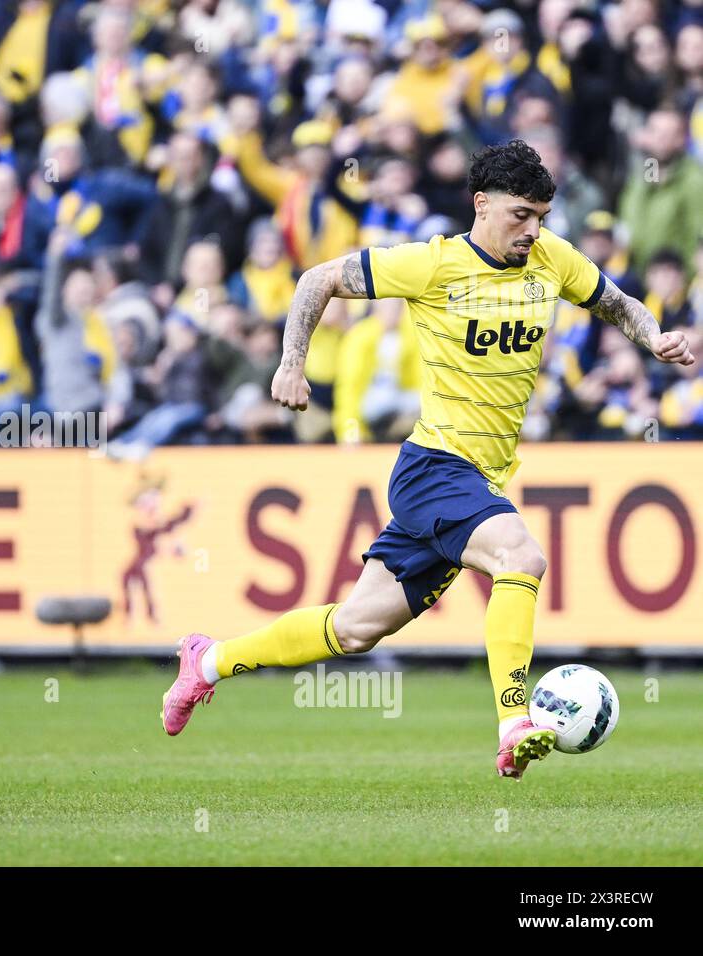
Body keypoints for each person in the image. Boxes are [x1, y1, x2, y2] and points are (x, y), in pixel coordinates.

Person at [159, 140, 696, 778]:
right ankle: (515, 721)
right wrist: (291, 364)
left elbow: (616, 302)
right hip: (436, 466)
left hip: (476, 478)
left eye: (542, 217)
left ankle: (207, 660)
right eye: (521, 215)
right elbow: (317, 279)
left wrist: (651, 335)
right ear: (482, 205)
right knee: (521, 557)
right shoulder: (432, 264)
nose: (534, 230)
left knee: (356, 628)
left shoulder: (552, 259)